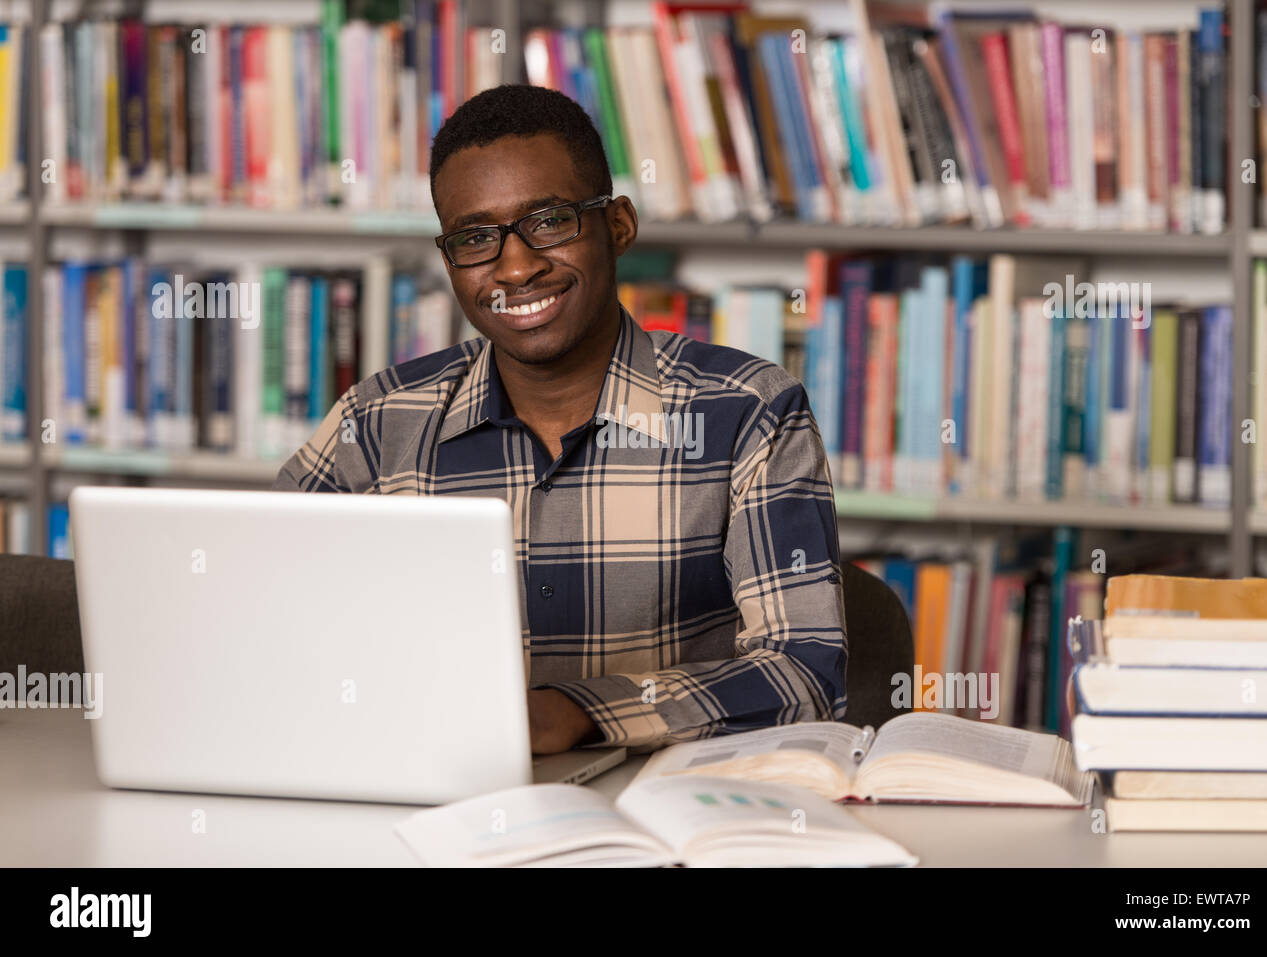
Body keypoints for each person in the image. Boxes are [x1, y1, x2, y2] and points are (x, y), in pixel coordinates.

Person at [273, 84, 846, 754]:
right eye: (476, 237)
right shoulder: (374, 425)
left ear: (619, 225)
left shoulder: (749, 412)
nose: (515, 267)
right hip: (433, 804)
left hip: (661, 812)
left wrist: (580, 711)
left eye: (548, 221)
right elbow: (260, 618)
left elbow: (803, 672)